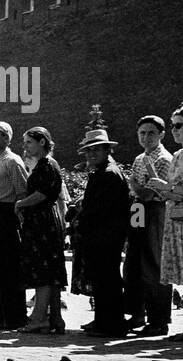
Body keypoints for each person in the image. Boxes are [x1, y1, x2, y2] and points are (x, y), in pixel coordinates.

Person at [71, 128, 128, 337]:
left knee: (107, 280)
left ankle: (111, 324)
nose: (91, 154)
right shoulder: (102, 171)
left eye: (96, 149)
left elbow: (101, 209)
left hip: (105, 235)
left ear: (107, 149)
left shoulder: (108, 174)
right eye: (88, 151)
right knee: (101, 280)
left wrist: (83, 218)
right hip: (100, 235)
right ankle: (103, 320)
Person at [14, 127, 69, 333]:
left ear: (42, 142)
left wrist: (21, 203)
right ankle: (55, 317)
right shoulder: (42, 166)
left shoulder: (47, 166)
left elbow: (43, 193)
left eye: (29, 142)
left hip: (43, 223)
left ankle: (38, 317)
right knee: (50, 271)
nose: (25, 146)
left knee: (43, 270)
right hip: (41, 222)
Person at [126, 116, 173, 336]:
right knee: (135, 263)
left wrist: (136, 185)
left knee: (154, 265)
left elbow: (149, 192)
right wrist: (137, 187)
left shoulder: (164, 159)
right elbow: (137, 190)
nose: (146, 137)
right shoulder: (139, 158)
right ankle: (138, 313)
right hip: (139, 212)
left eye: (151, 133)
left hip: (156, 212)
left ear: (161, 134)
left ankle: (159, 319)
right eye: (142, 133)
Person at [0, 122, 29, 331]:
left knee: (9, 267)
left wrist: (17, 218)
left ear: (6, 138)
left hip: (6, 215)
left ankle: (14, 316)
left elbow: (22, 192)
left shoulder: (12, 162)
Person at [146, 106, 183, 340]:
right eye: (173, 125)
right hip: (176, 219)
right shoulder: (179, 156)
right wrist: (161, 188)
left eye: (179, 125)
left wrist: (165, 188)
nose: (174, 130)